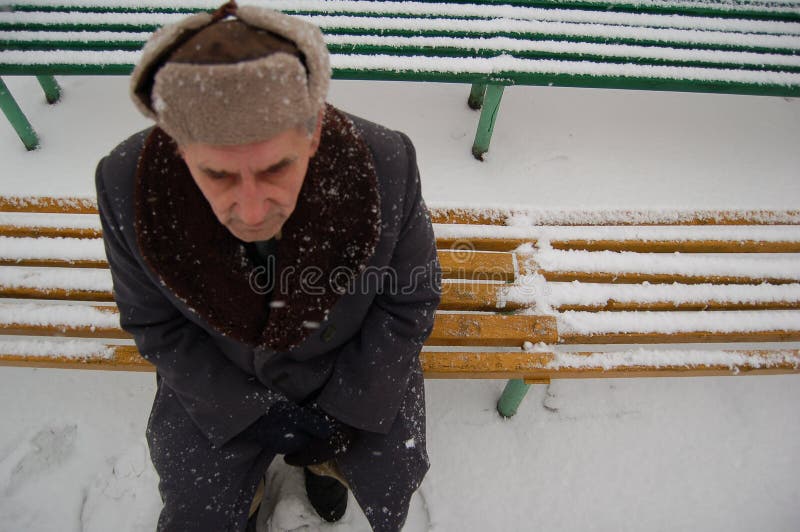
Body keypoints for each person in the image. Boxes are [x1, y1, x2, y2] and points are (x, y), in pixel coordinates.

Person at [94, 2, 441, 531]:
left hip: (348, 366)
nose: (253, 210)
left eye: (277, 167)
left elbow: (408, 298)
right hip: (221, 375)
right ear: (180, 150)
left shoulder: (384, 163)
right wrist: (249, 414)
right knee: (197, 505)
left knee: (394, 468)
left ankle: (326, 467)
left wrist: (347, 412)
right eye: (218, 175)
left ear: (314, 134)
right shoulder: (130, 187)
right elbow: (154, 323)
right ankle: (248, 494)